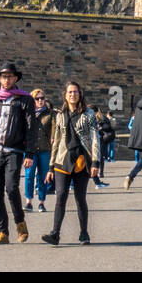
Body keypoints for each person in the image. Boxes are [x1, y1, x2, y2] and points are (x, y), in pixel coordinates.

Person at [0, 62, 39, 245]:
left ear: (16, 78)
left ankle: (20, 223)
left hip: (14, 151)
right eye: (3, 76)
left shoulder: (24, 99)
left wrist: (29, 154)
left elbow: (31, 129)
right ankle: (2, 232)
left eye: (10, 76)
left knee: (11, 188)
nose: (6, 79)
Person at [40, 81, 100, 246]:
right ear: (65, 95)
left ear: (80, 94)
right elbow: (57, 142)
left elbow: (95, 139)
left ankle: (84, 233)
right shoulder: (60, 115)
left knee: (80, 198)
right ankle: (55, 234)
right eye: (70, 92)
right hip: (62, 160)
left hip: (81, 160)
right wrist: (51, 167)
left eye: (76, 92)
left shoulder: (88, 114)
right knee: (60, 196)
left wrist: (95, 162)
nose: (73, 94)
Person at [23, 87, 54, 213]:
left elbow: (54, 128)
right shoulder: (27, 113)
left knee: (43, 177)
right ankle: (28, 201)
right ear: (33, 100)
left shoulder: (50, 113)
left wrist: (53, 138)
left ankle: (41, 202)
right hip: (30, 149)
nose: (40, 101)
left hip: (44, 149)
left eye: (42, 98)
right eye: (37, 99)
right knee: (29, 176)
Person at [95, 109, 115, 184]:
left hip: (101, 139)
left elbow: (107, 127)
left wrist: (100, 127)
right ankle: (100, 173)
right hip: (102, 138)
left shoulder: (102, 118)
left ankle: (100, 173)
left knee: (100, 156)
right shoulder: (102, 118)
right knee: (100, 156)